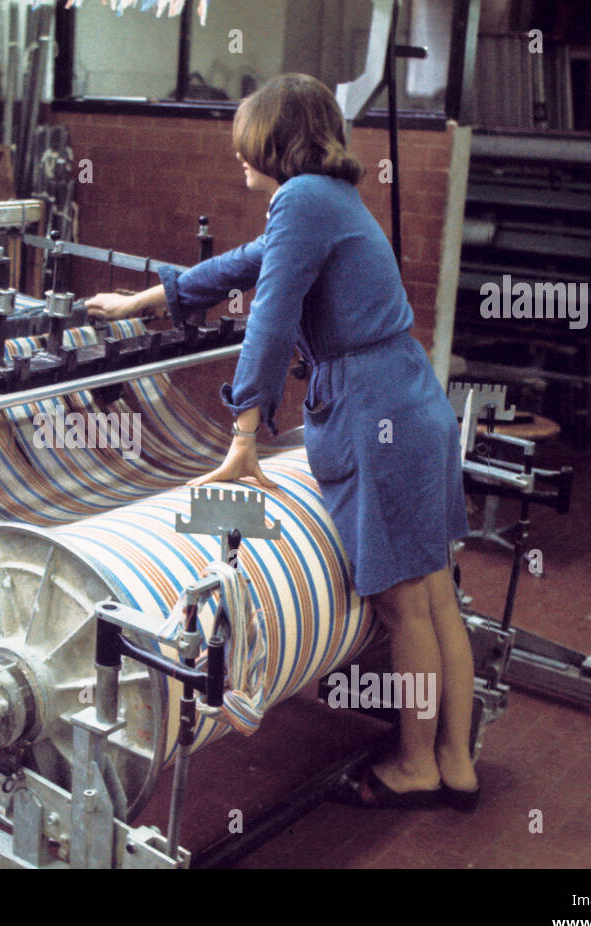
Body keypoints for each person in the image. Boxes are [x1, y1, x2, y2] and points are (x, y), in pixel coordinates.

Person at [85, 74, 479, 810]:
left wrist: (243, 434)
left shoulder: (302, 199)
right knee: (435, 596)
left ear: (277, 139)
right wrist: (143, 300)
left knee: (403, 610)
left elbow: (269, 320)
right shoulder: (327, 198)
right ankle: (456, 762)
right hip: (411, 398)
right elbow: (244, 264)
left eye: (246, 142)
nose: (237, 156)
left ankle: (416, 765)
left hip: (372, 412)